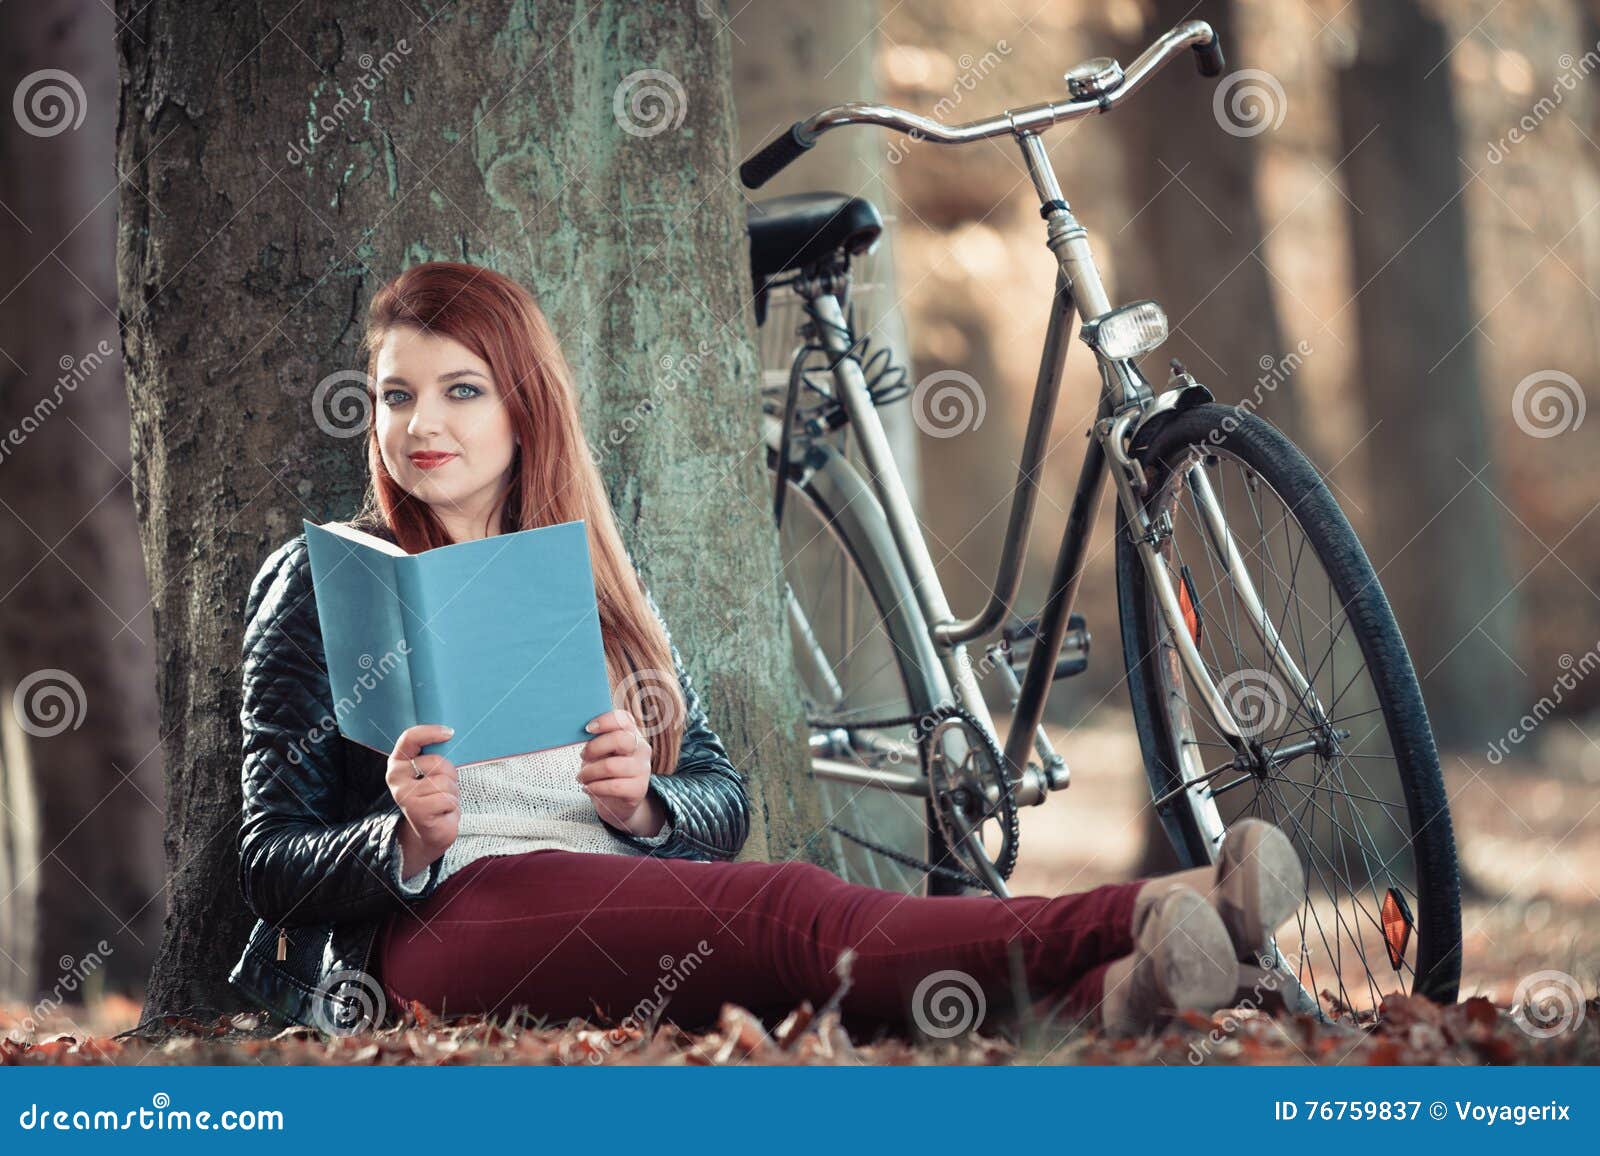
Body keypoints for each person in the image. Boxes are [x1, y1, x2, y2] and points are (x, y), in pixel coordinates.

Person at [229, 260, 1307, 1042]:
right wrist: (400, 838)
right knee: (788, 907)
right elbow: (266, 860)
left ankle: (1111, 992)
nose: (423, 421)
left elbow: (719, 795)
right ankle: (1157, 905)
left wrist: (643, 803)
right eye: (395, 394)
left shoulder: (595, 579)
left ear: (522, 409)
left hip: (616, 892)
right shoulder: (327, 583)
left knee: (810, 988)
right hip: (446, 916)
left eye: (461, 389)